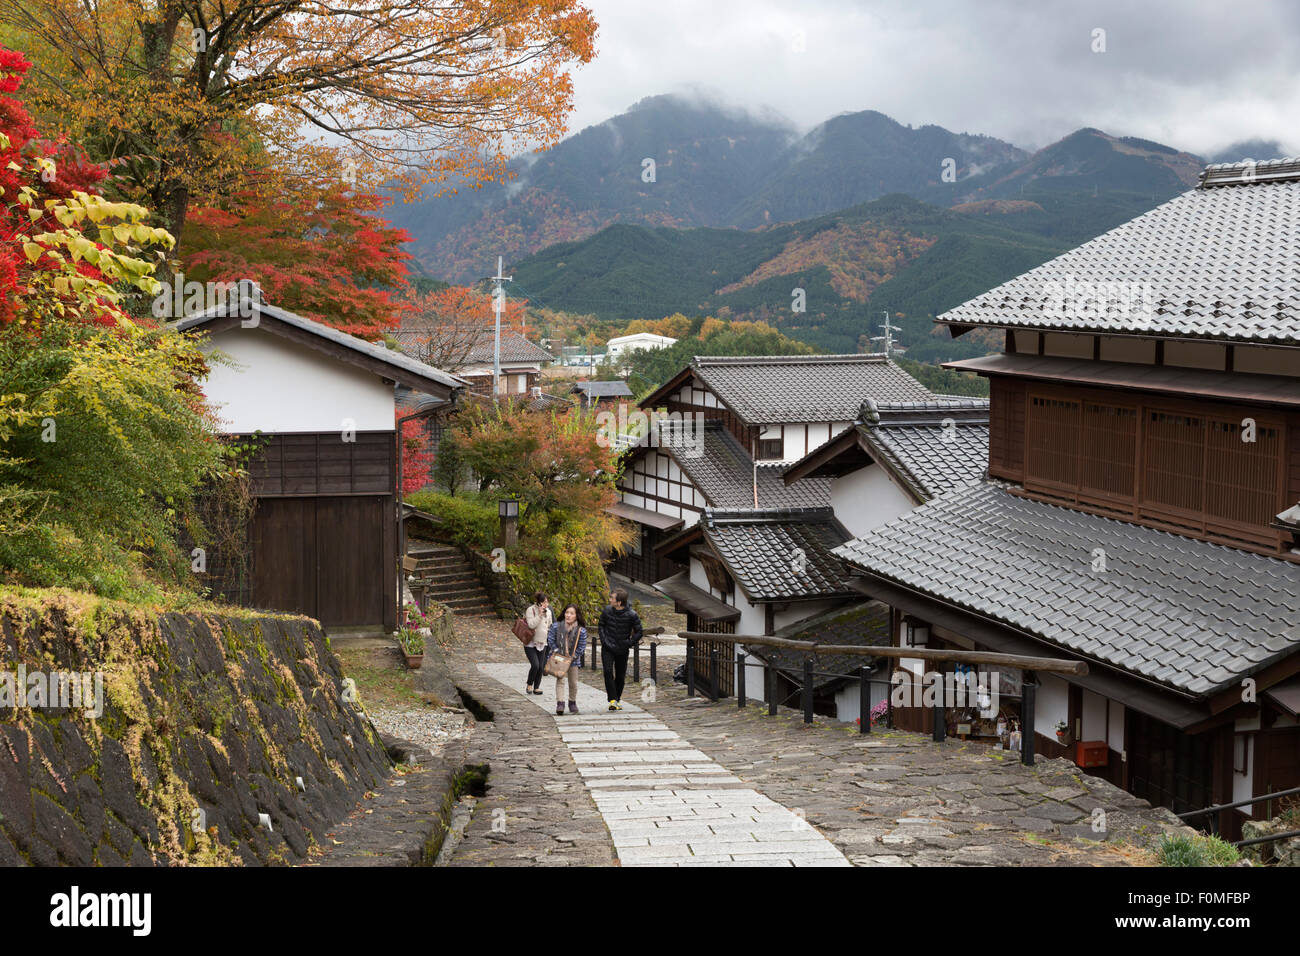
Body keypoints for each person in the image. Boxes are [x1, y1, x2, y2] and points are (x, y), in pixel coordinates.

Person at [598, 587, 643, 711]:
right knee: (607, 671)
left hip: (622, 648)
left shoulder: (632, 614)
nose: (609, 599)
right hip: (607, 646)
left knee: (620, 675)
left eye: (612, 598)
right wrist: (604, 640)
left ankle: (617, 699)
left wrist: (629, 643)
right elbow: (601, 625)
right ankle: (612, 699)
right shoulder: (607, 610)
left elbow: (639, 631)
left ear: (619, 602)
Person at [546, 604, 587, 716]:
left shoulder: (581, 630)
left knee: (573, 682)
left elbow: (582, 646)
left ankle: (572, 702)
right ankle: (560, 703)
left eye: (571, 613)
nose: (568, 615)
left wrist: (572, 657)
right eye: (567, 612)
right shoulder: (556, 626)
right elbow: (550, 639)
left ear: (576, 616)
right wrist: (556, 650)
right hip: (559, 658)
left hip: (573, 660)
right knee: (560, 679)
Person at [522, 592, 552, 695]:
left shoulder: (548, 612)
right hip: (530, 643)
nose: (546, 604)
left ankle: (537, 687)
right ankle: (529, 684)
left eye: (547, 602)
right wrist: (539, 615)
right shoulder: (531, 610)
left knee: (540, 666)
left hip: (542, 642)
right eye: (544, 602)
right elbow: (531, 625)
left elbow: (549, 625)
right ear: (539, 603)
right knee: (535, 665)